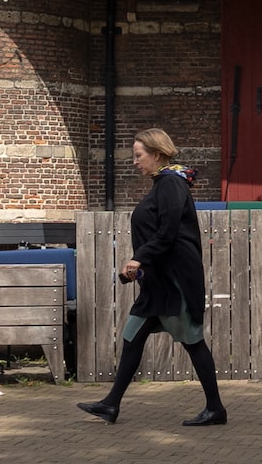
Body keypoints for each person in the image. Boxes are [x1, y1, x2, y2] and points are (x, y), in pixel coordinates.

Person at [78, 128, 226, 427]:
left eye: (138, 155)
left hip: (174, 283)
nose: (135, 162)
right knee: (132, 336)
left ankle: (215, 409)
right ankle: (110, 404)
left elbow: (167, 232)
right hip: (158, 284)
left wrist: (138, 258)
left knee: (193, 342)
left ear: (156, 154)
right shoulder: (163, 184)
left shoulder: (171, 184)